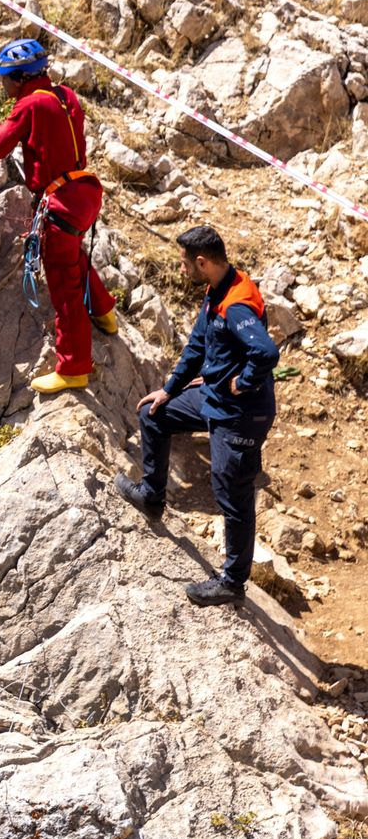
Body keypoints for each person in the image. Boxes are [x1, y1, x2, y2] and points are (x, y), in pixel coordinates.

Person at [115, 226, 278, 606]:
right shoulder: (217, 290)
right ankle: (151, 497)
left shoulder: (236, 304)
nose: (182, 269)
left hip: (241, 413)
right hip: (213, 397)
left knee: (231, 491)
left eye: (185, 263)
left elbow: (267, 353)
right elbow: (197, 346)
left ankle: (232, 582)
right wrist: (169, 389)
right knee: (155, 415)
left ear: (202, 262)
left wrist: (244, 382)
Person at [0, 38, 119, 394]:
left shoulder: (28, 105)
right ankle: (105, 312)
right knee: (73, 256)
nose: (3, 87)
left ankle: (74, 367)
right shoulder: (64, 95)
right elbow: (44, 136)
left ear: (18, 79)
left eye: (4, 80)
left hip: (59, 203)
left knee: (64, 287)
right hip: (84, 192)